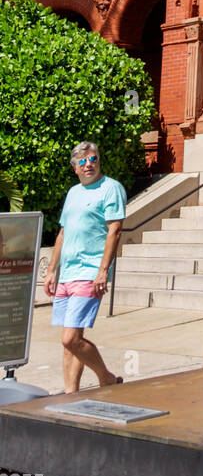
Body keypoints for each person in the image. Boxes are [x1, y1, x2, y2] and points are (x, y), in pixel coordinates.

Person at [44, 142, 125, 394]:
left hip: (89, 271)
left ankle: (106, 376)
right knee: (70, 341)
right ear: (75, 168)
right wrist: (51, 270)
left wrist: (103, 270)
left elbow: (115, 229)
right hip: (67, 273)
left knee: (70, 338)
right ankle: (71, 394)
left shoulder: (111, 189)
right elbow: (63, 232)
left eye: (93, 159)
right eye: (82, 161)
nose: (88, 164)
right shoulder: (73, 193)